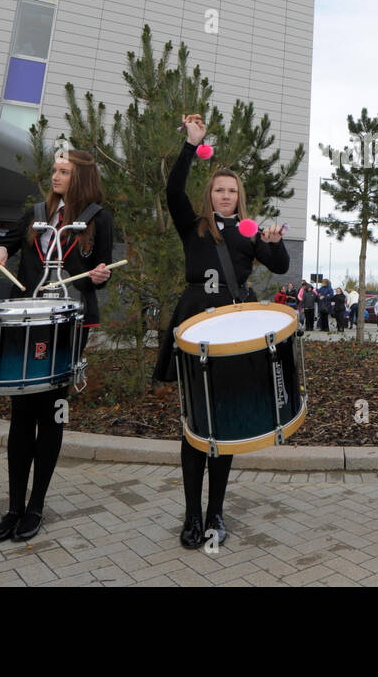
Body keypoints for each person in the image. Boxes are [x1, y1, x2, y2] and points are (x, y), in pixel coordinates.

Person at [152, 114, 289, 549]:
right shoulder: (193, 225)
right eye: (219, 189)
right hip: (194, 327)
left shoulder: (249, 233)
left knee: (223, 427)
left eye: (232, 191)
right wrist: (192, 145)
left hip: (233, 332)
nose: (226, 196)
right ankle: (191, 515)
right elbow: (173, 189)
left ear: (239, 198)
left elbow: (281, 266)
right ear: (209, 195)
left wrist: (275, 239)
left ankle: (215, 513)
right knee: (195, 426)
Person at [0, 148, 113, 543]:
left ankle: (36, 505)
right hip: (27, 319)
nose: (55, 177)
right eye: (55, 170)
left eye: (64, 172)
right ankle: (13, 507)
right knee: (22, 411)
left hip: (71, 321)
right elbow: (3, 242)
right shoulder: (37, 213)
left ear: (82, 178)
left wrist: (100, 276)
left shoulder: (98, 219)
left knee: (52, 409)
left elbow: (101, 271)